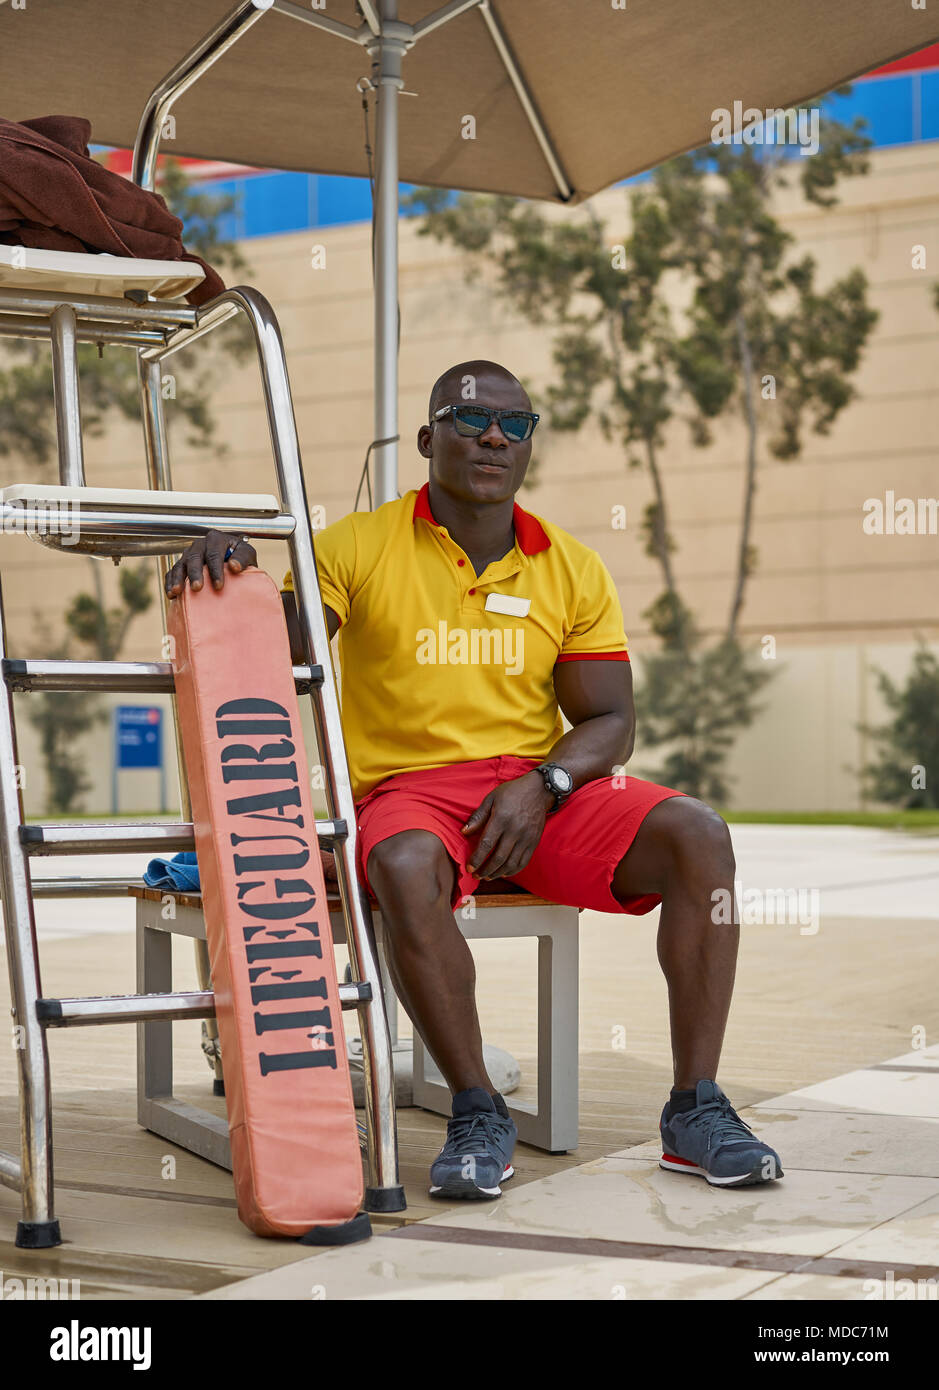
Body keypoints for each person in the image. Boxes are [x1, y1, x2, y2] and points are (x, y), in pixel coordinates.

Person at [166, 359, 783, 1201]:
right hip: (408, 791)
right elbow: (280, 649)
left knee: (698, 835)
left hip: (537, 789)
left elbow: (609, 720)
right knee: (403, 864)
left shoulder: (570, 564)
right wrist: (234, 571)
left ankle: (695, 1110)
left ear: (528, 448)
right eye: (469, 419)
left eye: (514, 425)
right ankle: (476, 1110)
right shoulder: (354, 543)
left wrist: (547, 785)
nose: (494, 435)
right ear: (428, 440)